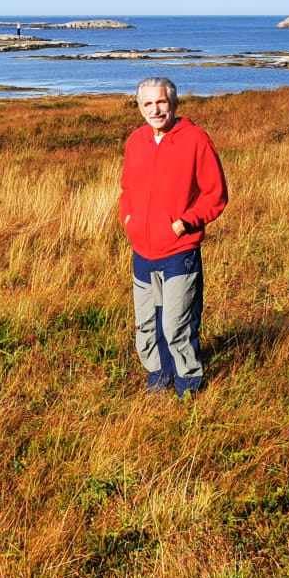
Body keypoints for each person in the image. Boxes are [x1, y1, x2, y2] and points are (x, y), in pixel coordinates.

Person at [118, 76, 228, 394]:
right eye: (148, 103)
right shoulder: (135, 141)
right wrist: (129, 218)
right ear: (139, 107)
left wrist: (186, 222)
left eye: (161, 102)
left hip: (179, 250)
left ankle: (188, 383)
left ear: (174, 103)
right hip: (142, 249)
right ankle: (158, 376)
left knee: (176, 323)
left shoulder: (196, 139)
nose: (155, 109)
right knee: (147, 324)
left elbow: (215, 194)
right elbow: (127, 189)